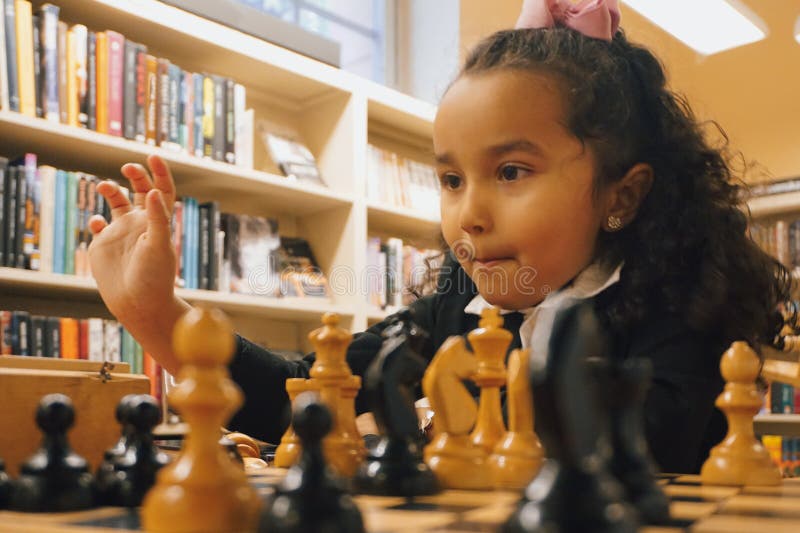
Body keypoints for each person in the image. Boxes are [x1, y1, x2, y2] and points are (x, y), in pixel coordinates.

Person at [87, 0, 791, 474]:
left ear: (622, 195)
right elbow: (313, 398)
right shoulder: (459, 307)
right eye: (451, 180)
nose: (468, 216)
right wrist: (159, 314)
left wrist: (427, 419)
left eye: (510, 171)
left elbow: (644, 442)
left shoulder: (683, 306)